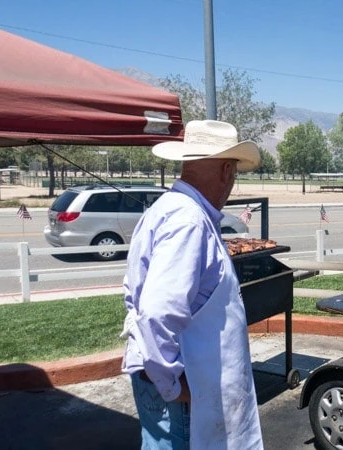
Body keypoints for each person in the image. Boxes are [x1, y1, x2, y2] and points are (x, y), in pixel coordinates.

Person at [120, 120, 263, 449]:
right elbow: (157, 313)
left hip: (170, 381)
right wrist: (172, 387)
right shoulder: (189, 221)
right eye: (234, 173)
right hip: (182, 395)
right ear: (226, 171)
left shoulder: (168, 209)